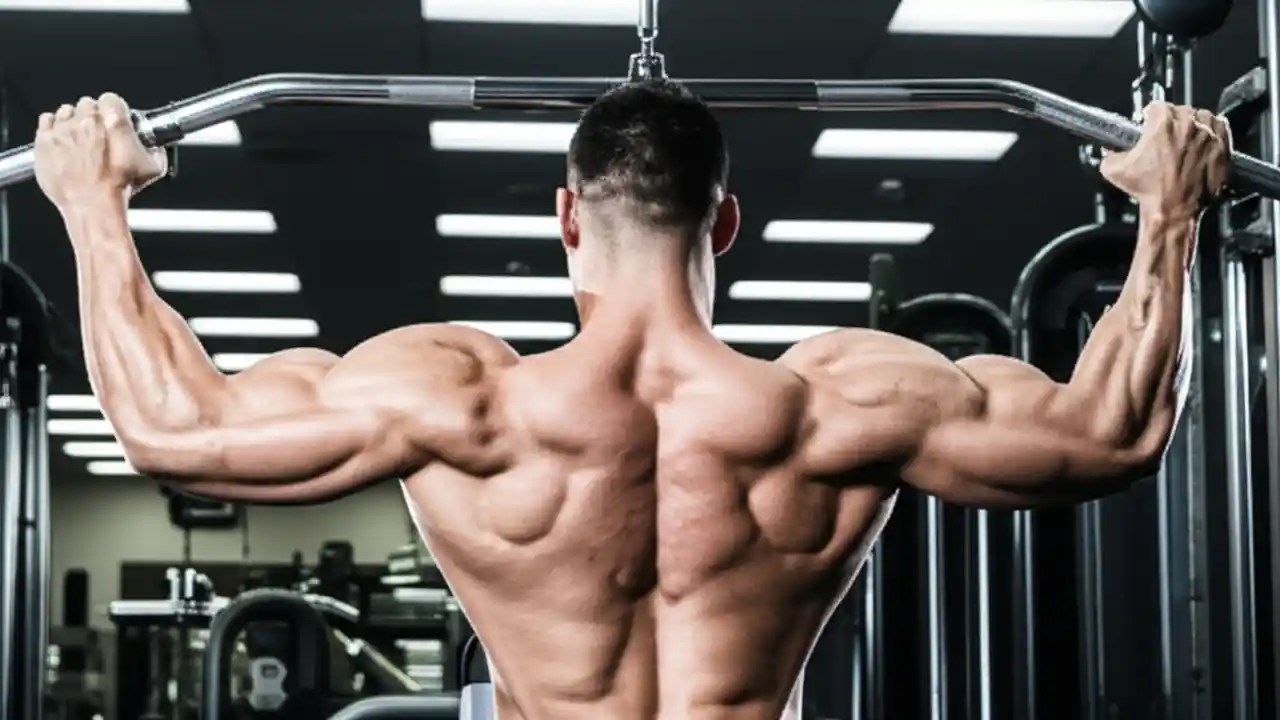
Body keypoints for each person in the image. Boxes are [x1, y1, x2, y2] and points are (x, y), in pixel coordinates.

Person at [33, 83, 1229, 720]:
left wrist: (94, 205)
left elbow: (171, 431)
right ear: (723, 222)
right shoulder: (837, 402)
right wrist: (1168, 212)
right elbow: (1108, 434)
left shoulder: (463, 400)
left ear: (564, 218)